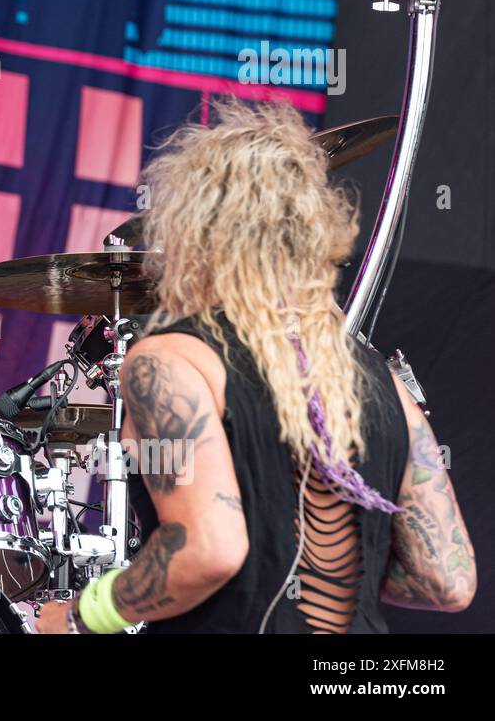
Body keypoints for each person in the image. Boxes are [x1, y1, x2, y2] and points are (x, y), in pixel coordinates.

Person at [38, 100, 475, 634]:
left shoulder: (171, 362)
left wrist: (83, 615)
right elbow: (446, 580)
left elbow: (209, 550)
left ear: (192, 229)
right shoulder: (379, 378)